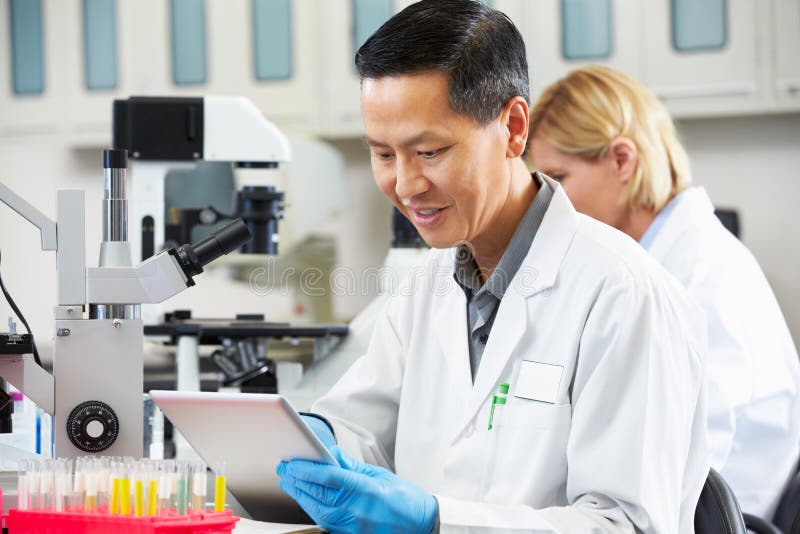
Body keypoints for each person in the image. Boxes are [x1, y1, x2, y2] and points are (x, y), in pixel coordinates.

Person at [276, 2, 710, 532]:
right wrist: (313, 437)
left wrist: (438, 521)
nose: (406, 185)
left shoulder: (623, 294)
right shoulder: (426, 287)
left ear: (514, 127)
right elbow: (360, 430)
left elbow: (630, 525)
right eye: (384, 155)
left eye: (430, 151)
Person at [527, 65, 800, 518]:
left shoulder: (703, 274)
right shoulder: (652, 259)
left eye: (559, 178)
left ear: (622, 160)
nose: (547, 202)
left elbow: (693, 459)